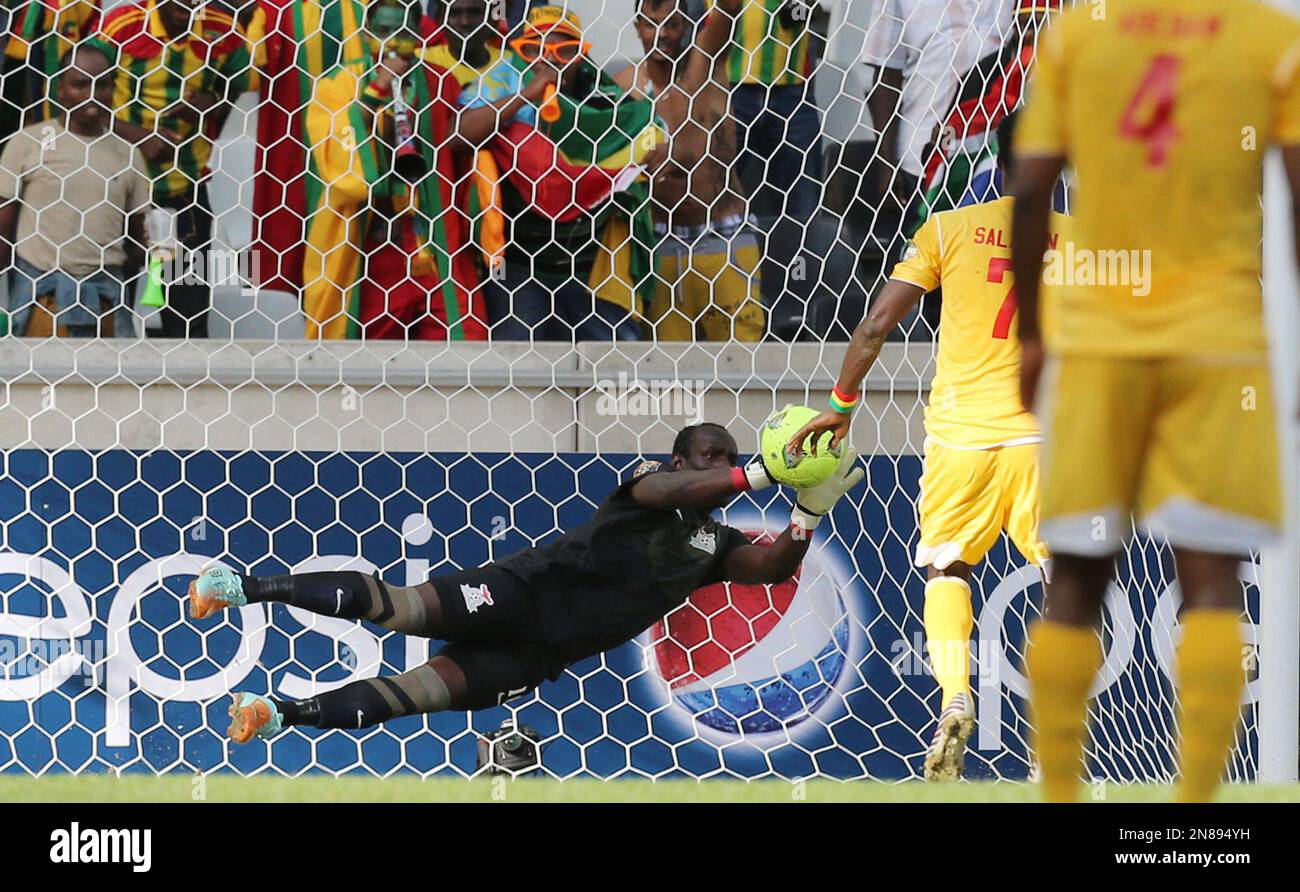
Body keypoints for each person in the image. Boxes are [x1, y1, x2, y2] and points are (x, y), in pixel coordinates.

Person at [1010, 0, 1300, 803]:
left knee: (1074, 577)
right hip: (1221, 342)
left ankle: (1061, 797)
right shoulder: (1274, 41)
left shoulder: (1078, 33)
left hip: (1100, 336)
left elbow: (1031, 193)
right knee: (1211, 579)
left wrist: (1033, 338)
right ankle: (1194, 814)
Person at [186, 422, 863, 740]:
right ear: (680, 459)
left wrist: (806, 511)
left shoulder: (719, 544)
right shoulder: (645, 490)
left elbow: (770, 571)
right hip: (520, 590)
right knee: (397, 609)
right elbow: (675, 489)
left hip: (539, 654)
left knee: (413, 695)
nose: (718, 466)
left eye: (729, 458)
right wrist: (760, 474)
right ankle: (241, 586)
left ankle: (277, 714)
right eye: (707, 458)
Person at [789, 111, 1065, 781]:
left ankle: (955, 697)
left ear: (994, 164)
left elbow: (878, 323)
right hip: (1045, 437)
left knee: (946, 570)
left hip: (959, 438)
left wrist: (842, 406)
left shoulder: (947, 229)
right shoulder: (1083, 241)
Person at [457, 6, 662, 342]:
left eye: (564, 50)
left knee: (619, 367)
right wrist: (528, 93)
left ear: (580, 55)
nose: (549, 60)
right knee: (515, 372)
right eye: (535, 49)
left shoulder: (601, 89)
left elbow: (647, 129)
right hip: (516, 267)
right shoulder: (503, 78)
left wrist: (654, 148)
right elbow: (457, 134)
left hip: (589, 268)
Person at [300, 0, 486, 339]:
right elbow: (338, 159)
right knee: (366, 365)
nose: (392, 43)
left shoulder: (439, 81)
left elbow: (459, 144)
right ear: (367, 32)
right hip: (371, 252)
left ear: (417, 34)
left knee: (466, 349)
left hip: (433, 247)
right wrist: (377, 91)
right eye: (383, 32)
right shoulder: (338, 85)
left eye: (401, 32)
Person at [86, 0, 256, 339]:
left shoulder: (225, 32)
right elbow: (81, 95)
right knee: (116, 297)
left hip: (185, 189)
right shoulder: (120, 26)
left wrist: (209, 103)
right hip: (121, 187)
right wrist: (136, 136)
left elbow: (234, 87)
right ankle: (114, 381)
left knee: (188, 307)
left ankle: (186, 385)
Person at [619, 0, 766, 342]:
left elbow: (729, 9)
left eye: (672, 24)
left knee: (742, 364)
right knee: (670, 373)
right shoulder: (625, 86)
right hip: (660, 241)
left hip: (724, 235)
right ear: (637, 26)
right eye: (651, 24)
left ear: (686, 25)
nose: (662, 35)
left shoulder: (708, 67)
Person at [0, 43, 148, 338]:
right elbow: (3, 229)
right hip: (42, 295)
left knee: (109, 381)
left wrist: (155, 249)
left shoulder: (128, 154)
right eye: (81, 84)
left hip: (106, 296)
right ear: (60, 90)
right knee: (42, 379)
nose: (93, 95)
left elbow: (136, 240)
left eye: (103, 85)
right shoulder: (29, 143)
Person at [720, 0, 823, 231]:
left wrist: (801, 8)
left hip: (792, 91)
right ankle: (707, 264)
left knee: (801, 209)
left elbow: (808, 11)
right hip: (727, 88)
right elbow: (693, 19)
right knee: (713, 194)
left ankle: (799, 267)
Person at [425, 0, 502, 86]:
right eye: (454, 13)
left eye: (474, 13)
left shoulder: (511, 63)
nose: (465, 21)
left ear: (492, 21)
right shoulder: (422, 62)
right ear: (441, 20)